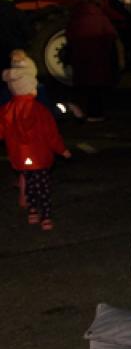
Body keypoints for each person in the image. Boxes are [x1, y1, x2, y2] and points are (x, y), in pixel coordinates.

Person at [1, 51, 70, 231]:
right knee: (43, 187)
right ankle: (45, 216)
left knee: (29, 182)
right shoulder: (39, 110)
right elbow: (51, 134)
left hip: (20, 157)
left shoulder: (7, 109)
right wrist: (62, 150)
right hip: (39, 156)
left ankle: (32, 211)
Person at [66, 0, 119, 122]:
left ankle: (86, 114)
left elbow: (69, 36)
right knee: (98, 89)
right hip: (99, 58)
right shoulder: (101, 17)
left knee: (85, 88)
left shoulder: (75, 18)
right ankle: (98, 114)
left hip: (81, 58)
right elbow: (111, 35)